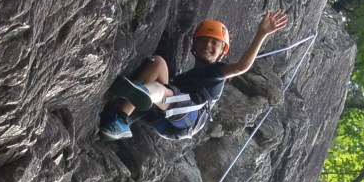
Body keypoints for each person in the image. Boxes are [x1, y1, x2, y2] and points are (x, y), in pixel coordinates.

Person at [98, 10, 290, 141]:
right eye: (203, 41)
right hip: (171, 113)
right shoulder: (184, 78)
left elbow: (241, 67)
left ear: (223, 52)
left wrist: (261, 34)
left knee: (160, 91)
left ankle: (143, 91)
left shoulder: (217, 72)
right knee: (158, 63)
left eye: (215, 43)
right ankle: (119, 121)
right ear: (193, 46)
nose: (208, 45)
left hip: (192, 116)